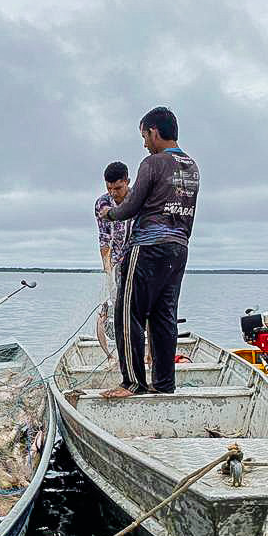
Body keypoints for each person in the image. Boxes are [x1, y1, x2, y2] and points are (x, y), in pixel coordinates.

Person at [97, 106, 199, 396]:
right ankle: (165, 384)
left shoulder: (152, 163)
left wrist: (109, 214)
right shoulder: (192, 166)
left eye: (144, 135)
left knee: (128, 313)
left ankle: (132, 383)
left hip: (148, 248)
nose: (144, 143)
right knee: (164, 316)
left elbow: (131, 206)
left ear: (154, 131)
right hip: (178, 250)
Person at [93, 161, 132, 357]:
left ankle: (146, 354)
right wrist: (107, 270)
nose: (114, 193)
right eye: (109, 188)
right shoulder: (102, 203)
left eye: (118, 188)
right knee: (114, 307)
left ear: (127, 181)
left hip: (137, 259)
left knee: (139, 310)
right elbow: (104, 237)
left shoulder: (137, 199)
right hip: (116, 262)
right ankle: (117, 354)